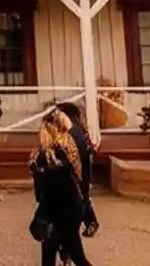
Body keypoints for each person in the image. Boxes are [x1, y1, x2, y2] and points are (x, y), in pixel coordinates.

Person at [30, 110, 94, 266]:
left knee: (68, 255)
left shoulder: (50, 153)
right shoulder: (68, 145)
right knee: (73, 254)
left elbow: (50, 187)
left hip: (59, 212)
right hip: (70, 209)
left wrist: (40, 170)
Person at [55, 102, 99, 237]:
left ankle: (90, 223)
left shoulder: (74, 132)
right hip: (75, 173)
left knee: (78, 202)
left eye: (59, 113)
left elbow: (81, 155)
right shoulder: (71, 129)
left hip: (78, 173)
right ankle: (89, 224)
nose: (57, 115)